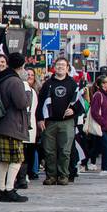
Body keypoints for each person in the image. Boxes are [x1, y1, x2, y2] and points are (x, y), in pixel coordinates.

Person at [0, 52, 33, 202]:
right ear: (21, 66)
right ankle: (9, 189)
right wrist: (28, 92)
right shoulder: (15, 81)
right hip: (13, 124)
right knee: (17, 159)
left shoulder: (1, 78)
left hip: (1, 123)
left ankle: (0, 190)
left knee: (2, 161)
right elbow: (21, 103)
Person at [37, 57, 79, 186]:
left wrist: (73, 110)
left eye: (63, 65)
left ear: (67, 68)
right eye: (58, 65)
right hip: (50, 122)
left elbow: (80, 103)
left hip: (66, 122)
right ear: (54, 67)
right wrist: (39, 118)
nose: (60, 67)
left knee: (65, 151)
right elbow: (40, 102)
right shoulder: (48, 84)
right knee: (49, 151)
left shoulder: (72, 84)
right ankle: (51, 176)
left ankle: (63, 175)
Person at [90, 74, 107, 174]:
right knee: (106, 147)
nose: (106, 84)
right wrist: (103, 123)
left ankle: (88, 163)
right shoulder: (98, 95)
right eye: (104, 82)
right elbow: (94, 112)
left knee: (98, 147)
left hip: (105, 126)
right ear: (99, 85)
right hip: (101, 126)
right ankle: (104, 168)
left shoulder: (106, 95)